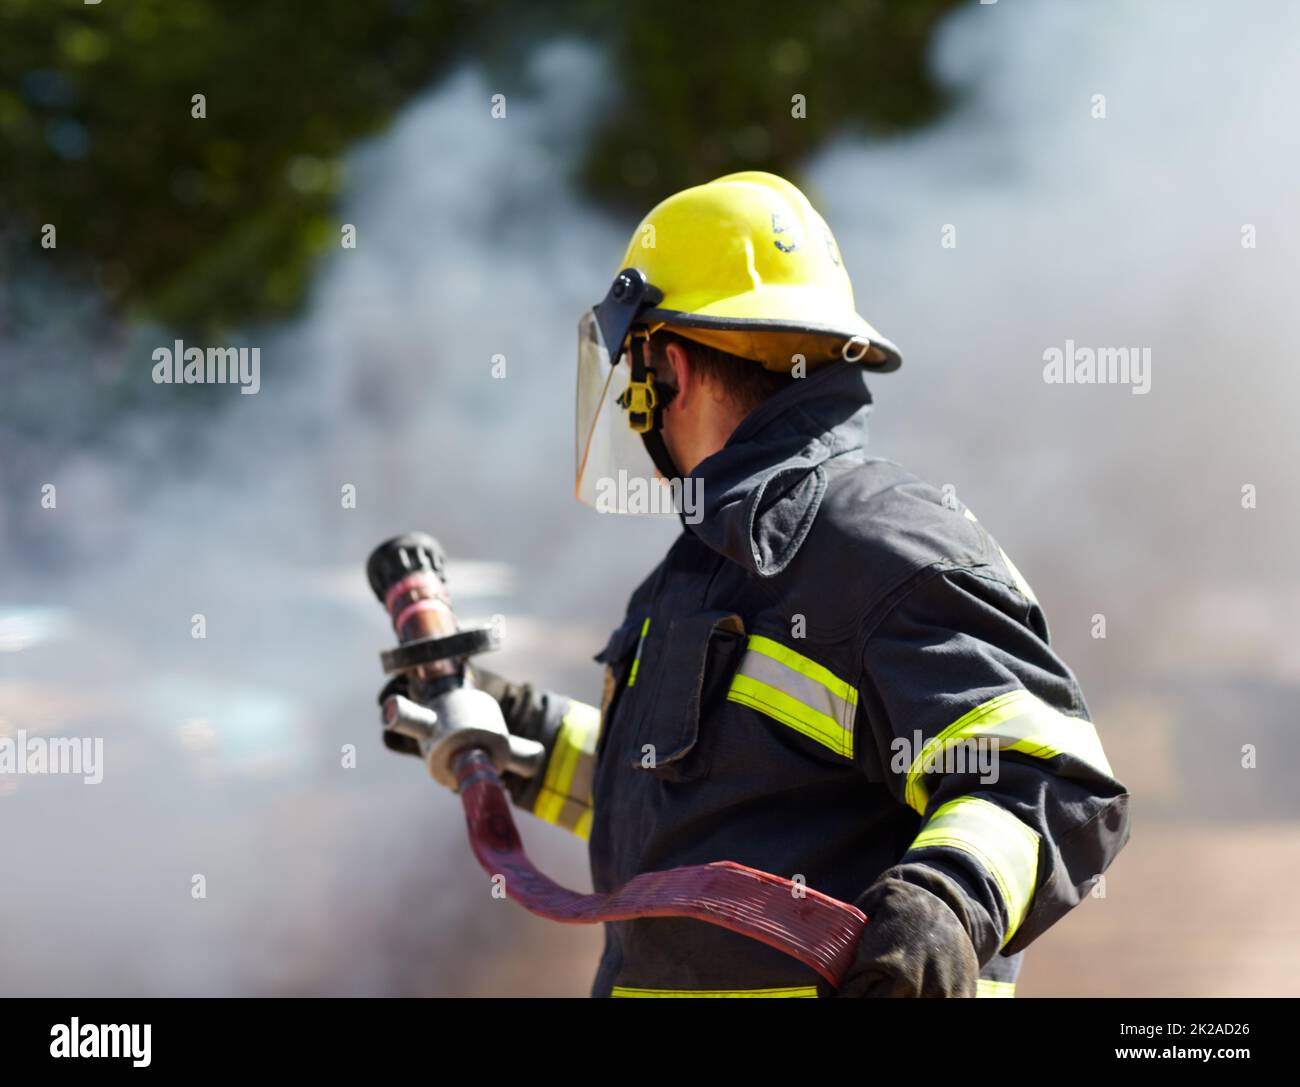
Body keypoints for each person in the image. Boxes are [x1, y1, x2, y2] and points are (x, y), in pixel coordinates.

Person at [476, 172, 1130, 998]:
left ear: (663, 364)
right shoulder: (700, 572)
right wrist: (511, 738)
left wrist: (945, 903)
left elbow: (1051, 780)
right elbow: (699, 813)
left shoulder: (882, 547)